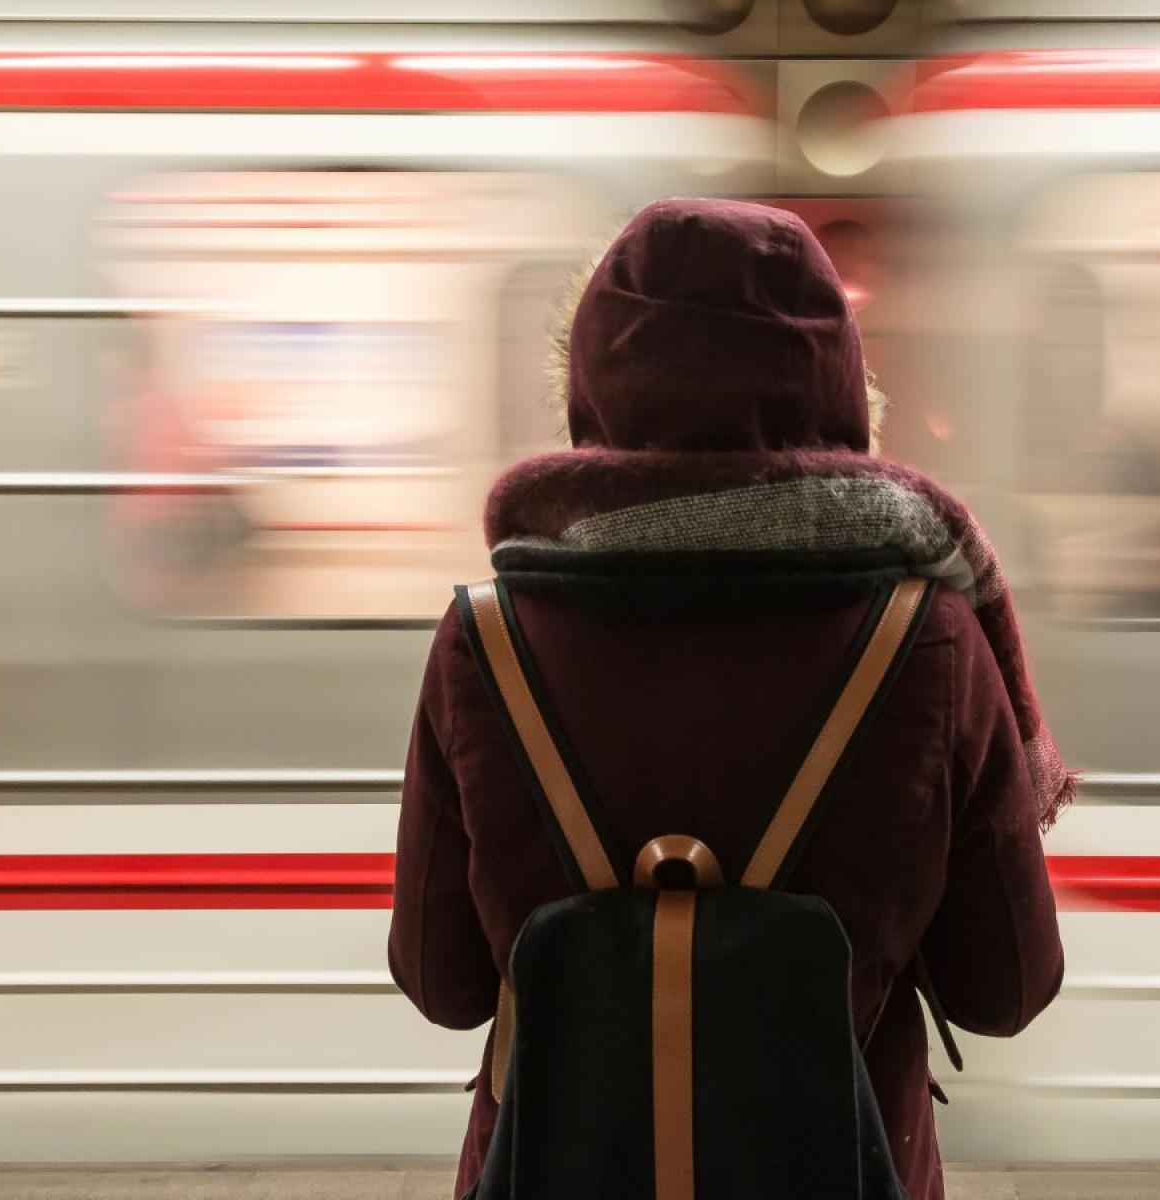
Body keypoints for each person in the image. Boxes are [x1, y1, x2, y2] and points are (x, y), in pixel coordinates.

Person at [389, 198, 1069, 1200]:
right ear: (838, 383)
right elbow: (1006, 988)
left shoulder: (484, 640)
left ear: (594, 384)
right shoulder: (929, 640)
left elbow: (440, 982)